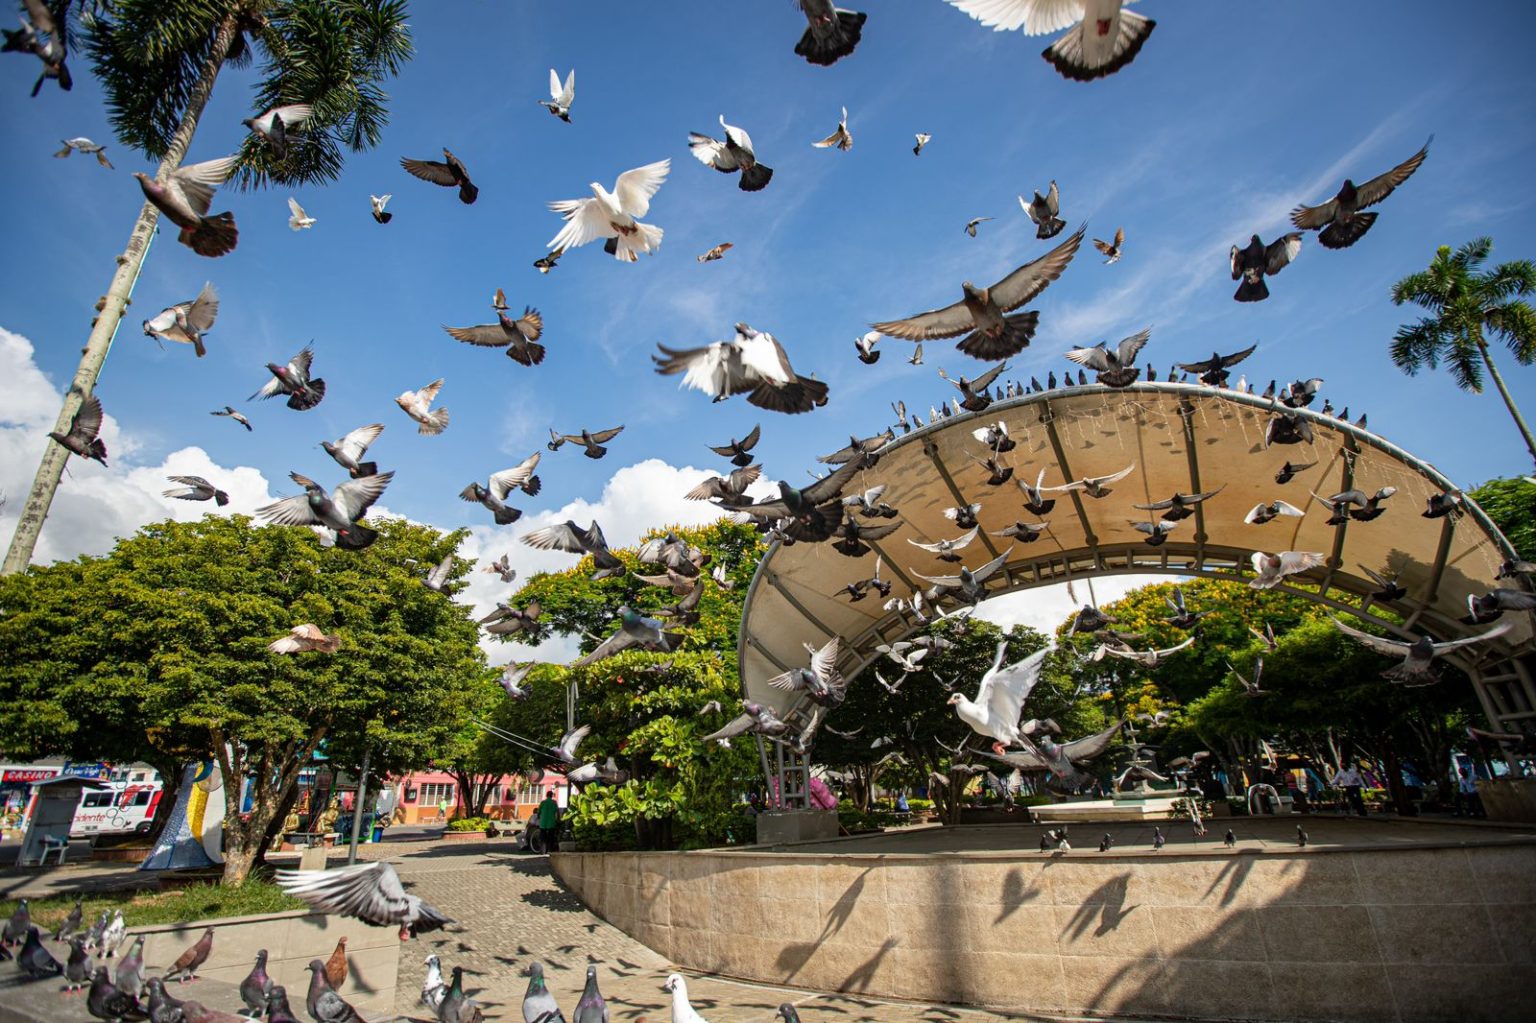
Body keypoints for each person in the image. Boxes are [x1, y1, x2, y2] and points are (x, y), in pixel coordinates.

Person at [536, 788, 561, 853]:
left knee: (543, 838)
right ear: (552, 796)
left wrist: (538, 818)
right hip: (551, 823)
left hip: (543, 823)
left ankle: (543, 851)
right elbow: (557, 812)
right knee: (551, 837)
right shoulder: (554, 803)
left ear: (546, 796)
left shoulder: (543, 802)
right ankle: (550, 850)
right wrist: (558, 820)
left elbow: (538, 813)